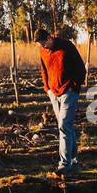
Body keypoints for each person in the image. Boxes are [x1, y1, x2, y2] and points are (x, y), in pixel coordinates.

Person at [35, 26, 86, 174]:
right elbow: (43, 69)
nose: (43, 47)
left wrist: (74, 86)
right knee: (67, 126)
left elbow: (81, 69)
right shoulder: (42, 51)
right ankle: (74, 161)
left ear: (49, 38)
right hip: (54, 93)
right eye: (40, 46)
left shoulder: (66, 46)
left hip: (69, 92)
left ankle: (64, 164)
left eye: (44, 44)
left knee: (63, 125)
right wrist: (48, 89)